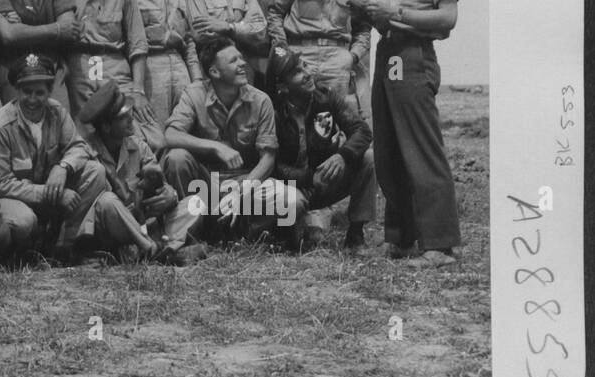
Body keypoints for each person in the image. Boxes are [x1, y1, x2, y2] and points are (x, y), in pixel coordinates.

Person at [362, 0, 461, 267]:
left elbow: (447, 19)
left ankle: (439, 245)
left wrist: (397, 17)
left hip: (413, 55)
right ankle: (401, 239)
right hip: (389, 54)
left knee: (420, 150)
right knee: (389, 152)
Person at [0, 54, 126, 260]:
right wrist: (53, 194)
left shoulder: (57, 112)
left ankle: (64, 246)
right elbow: (1, 183)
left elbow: (78, 146)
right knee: (24, 221)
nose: (33, 99)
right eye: (26, 92)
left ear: (49, 91)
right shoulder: (0, 126)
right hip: (13, 198)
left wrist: (63, 167)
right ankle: (23, 254)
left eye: (40, 93)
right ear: (17, 91)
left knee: (96, 171)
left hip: (48, 192)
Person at [163, 37, 301, 246]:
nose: (242, 63)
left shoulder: (260, 100)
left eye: (241, 58)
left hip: (246, 182)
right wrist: (215, 147)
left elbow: (268, 159)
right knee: (177, 158)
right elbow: (171, 135)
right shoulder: (194, 94)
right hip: (204, 185)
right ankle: (197, 230)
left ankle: (237, 232)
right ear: (215, 72)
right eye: (233, 61)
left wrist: (241, 190)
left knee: (294, 202)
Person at [77, 80, 208, 264]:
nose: (131, 119)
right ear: (106, 127)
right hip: (113, 231)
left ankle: (150, 252)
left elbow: (163, 185)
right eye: (123, 117)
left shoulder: (137, 146)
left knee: (195, 203)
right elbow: (99, 208)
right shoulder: (87, 151)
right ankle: (161, 252)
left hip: (145, 225)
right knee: (107, 203)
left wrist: (169, 195)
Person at [267, 46, 374, 252]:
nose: (307, 74)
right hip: (291, 189)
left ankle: (355, 235)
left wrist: (343, 156)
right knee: (294, 245)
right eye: (297, 72)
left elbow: (361, 130)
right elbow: (273, 166)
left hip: (325, 180)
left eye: (304, 66)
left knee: (368, 159)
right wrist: (308, 178)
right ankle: (287, 231)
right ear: (282, 86)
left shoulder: (326, 96)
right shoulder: (272, 112)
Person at [60, 0, 150, 129]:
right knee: (85, 134)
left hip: (114, 67)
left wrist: (138, 90)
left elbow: (138, 44)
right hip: (78, 70)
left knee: (143, 135)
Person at [130, 0, 202, 125]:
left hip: (180, 68)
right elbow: (131, 41)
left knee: (185, 130)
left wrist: (196, 79)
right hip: (151, 70)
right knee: (156, 134)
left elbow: (188, 39)